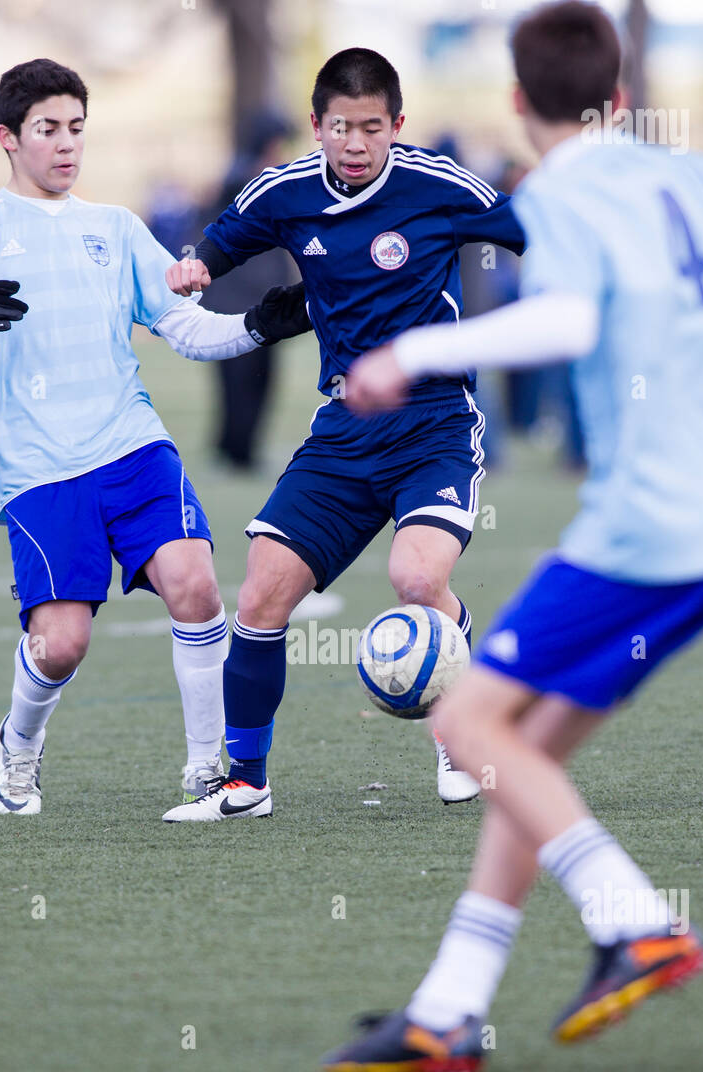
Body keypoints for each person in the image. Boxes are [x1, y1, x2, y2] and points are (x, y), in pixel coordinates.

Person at [322, 0, 703, 1072]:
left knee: (465, 727)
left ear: (519, 103)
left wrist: (413, 352)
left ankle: (635, 922)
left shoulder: (562, 188)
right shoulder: (696, 176)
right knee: (517, 764)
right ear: (617, 96)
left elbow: (563, 322)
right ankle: (448, 1010)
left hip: (639, 532)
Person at [0, 58, 310, 817]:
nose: (66, 145)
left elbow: (184, 327)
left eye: (76, 130)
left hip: (133, 446)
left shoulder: (116, 228)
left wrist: (259, 324)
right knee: (61, 644)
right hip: (39, 469)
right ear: (7, 137)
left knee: (194, 586)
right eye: (48, 130)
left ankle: (210, 771)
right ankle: (18, 750)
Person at [160, 47, 525, 823]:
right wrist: (195, 268)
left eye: (371, 128)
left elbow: (528, 226)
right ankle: (245, 784)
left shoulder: (439, 184)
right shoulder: (286, 189)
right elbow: (224, 238)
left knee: (418, 579)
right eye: (339, 128)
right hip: (344, 430)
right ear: (317, 126)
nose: (355, 145)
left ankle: (461, 737)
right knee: (259, 594)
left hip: (434, 422)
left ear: (396, 125)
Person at [201, 110, 297, 471]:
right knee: (238, 382)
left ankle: (242, 449)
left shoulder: (253, 179)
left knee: (260, 381)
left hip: (260, 301)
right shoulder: (241, 180)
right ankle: (233, 451)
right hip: (233, 303)